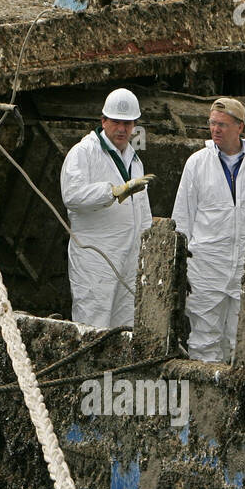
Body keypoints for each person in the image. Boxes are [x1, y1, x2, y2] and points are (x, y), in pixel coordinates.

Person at [172, 98, 245, 363]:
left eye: (222, 125)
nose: (215, 130)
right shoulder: (197, 164)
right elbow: (182, 219)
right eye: (213, 123)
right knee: (204, 340)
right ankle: (205, 401)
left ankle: (236, 400)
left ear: (240, 127)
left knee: (242, 340)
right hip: (206, 269)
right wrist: (180, 267)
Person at [60, 88, 154, 328]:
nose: (122, 129)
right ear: (103, 121)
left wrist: (149, 244)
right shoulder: (84, 152)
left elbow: (141, 209)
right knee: (93, 322)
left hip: (129, 256)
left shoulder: (133, 159)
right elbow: (72, 195)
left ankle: (115, 368)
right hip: (96, 257)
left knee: (126, 325)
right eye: (116, 122)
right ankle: (91, 368)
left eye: (128, 123)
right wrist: (111, 191)